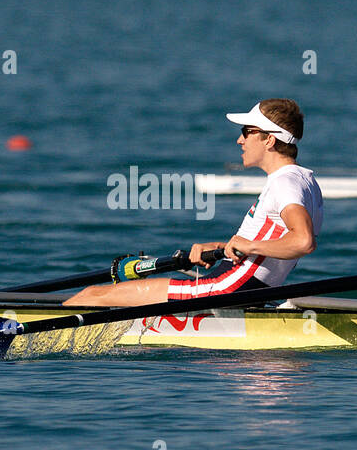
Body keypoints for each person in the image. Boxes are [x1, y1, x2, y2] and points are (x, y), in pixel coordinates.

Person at [63, 98, 323, 307]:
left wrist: (247, 244)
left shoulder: (284, 182)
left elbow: (302, 241)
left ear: (269, 139)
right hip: (243, 287)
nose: (240, 140)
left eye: (247, 132)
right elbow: (274, 243)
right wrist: (222, 248)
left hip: (229, 288)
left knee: (93, 296)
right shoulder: (305, 181)